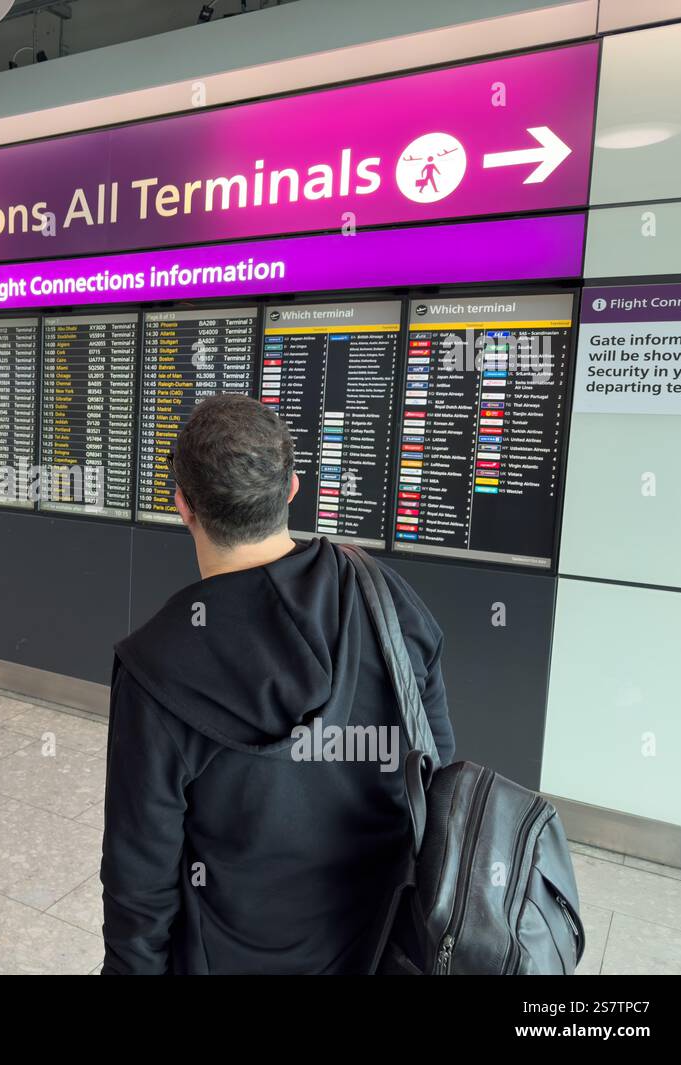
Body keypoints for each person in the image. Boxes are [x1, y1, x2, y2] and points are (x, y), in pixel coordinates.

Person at [100, 394, 455, 975]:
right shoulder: (385, 597)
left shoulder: (156, 666)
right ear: (291, 489)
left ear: (183, 506)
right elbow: (437, 769)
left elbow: (140, 876)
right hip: (382, 945)